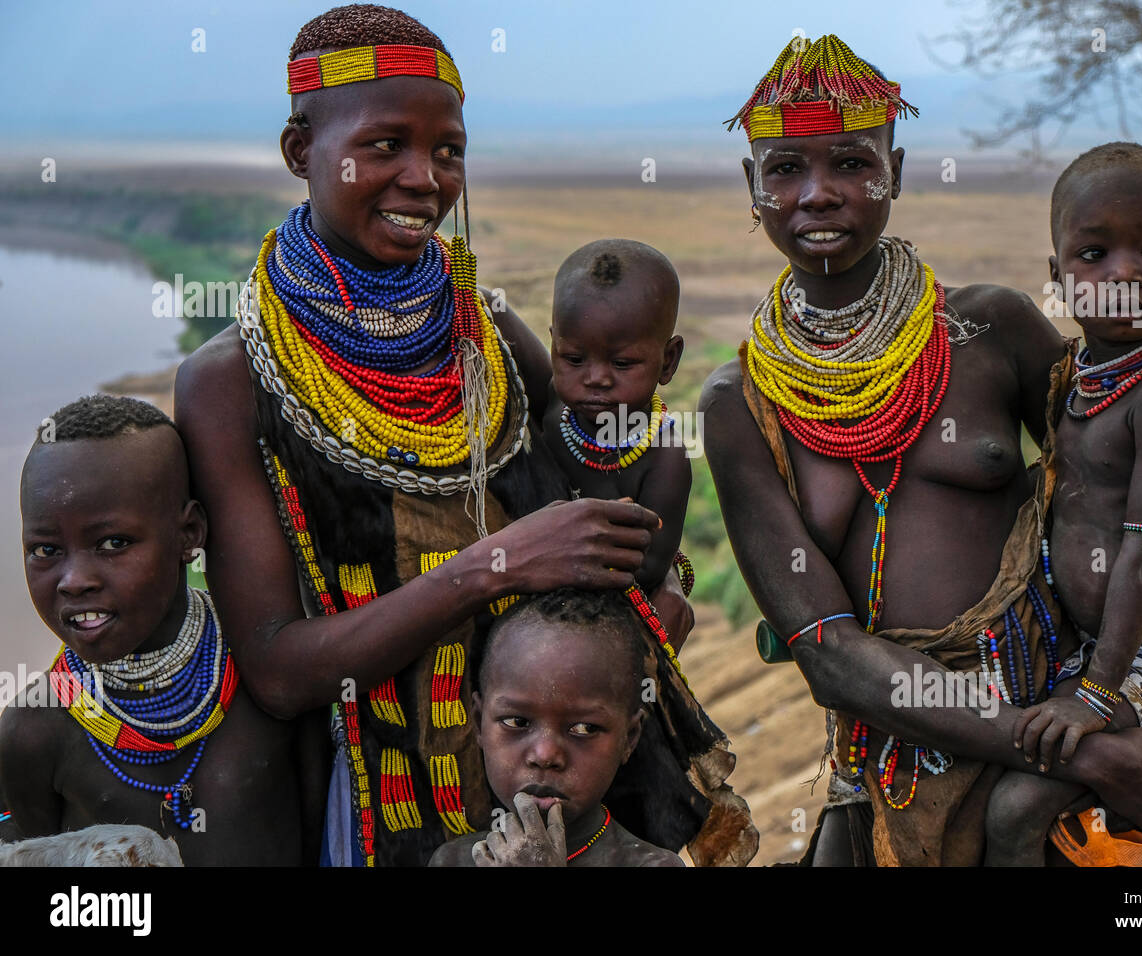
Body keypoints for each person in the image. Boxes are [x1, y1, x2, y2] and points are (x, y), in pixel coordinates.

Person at [173, 4, 751, 867]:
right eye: (385, 146)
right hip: (376, 784)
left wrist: (655, 589)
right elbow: (281, 671)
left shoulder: (486, 327)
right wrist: (499, 564)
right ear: (301, 152)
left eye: (448, 152)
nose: (425, 179)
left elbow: (598, 488)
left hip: (556, 765)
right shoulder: (230, 380)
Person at [699, 34, 1142, 866]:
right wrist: (1070, 747)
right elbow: (828, 652)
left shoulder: (992, 330)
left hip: (1064, 705)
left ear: (897, 172)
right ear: (751, 189)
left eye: (851, 163)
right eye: (786, 169)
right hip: (904, 762)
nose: (819, 194)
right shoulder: (737, 406)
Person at [984, 143, 1142, 865]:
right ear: (1058, 279)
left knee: (1018, 804)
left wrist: (1095, 696)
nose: (1125, 272)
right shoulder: (1079, 376)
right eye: (1094, 254)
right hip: (1093, 650)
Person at [0, 396, 309, 865]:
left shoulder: (269, 675)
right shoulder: (32, 732)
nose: (74, 580)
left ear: (189, 534)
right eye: (45, 550)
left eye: (113, 543)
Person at [430, 588, 684, 867]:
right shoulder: (453, 860)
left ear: (629, 738)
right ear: (479, 722)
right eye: (517, 722)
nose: (545, 755)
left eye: (584, 728)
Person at [542, 240, 690, 595]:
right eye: (574, 359)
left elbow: (650, 568)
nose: (596, 379)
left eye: (622, 363)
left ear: (667, 361)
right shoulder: (551, 407)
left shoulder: (665, 456)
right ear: (553, 347)